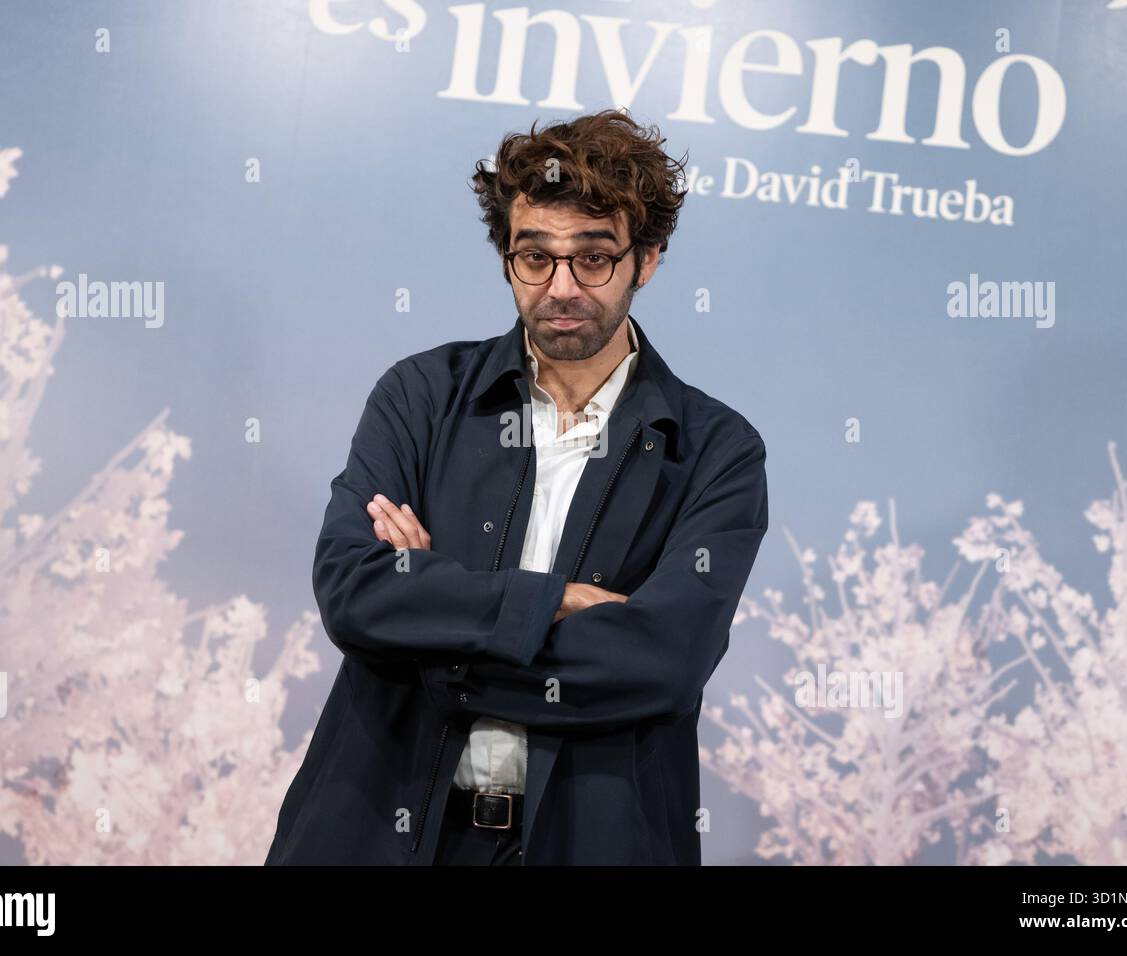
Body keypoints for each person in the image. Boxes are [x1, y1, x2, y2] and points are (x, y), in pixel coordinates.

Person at [265, 108, 768, 866]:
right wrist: (552, 602)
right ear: (507, 258)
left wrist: (436, 645)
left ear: (649, 259)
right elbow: (352, 590)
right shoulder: (421, 397)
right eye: (535, 257)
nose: (561, 287)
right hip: (378, 834)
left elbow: (661, 663)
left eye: (594, 259)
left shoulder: (716, 450)